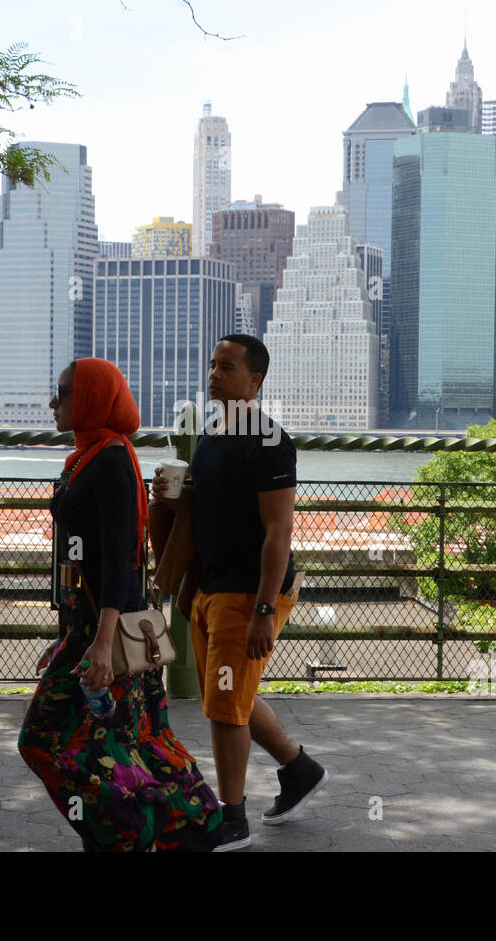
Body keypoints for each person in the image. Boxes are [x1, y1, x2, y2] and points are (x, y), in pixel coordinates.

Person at [18, 358, 223, 852]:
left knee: (44, 739)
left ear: (91, 398)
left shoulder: (110, 459)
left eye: (63, 393)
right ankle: (181, 826)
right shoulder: (87, 457)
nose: (53, 403)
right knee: (132, 738)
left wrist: (101, 645)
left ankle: (131, 826)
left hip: (104, 631)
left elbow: (118, 562)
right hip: (87, 627)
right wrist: (68, 632)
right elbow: (86, 559)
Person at [152, 334, 328, 851]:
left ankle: (233, 819)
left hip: (248, 593)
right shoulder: (210, 435)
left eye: (226, 367)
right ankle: (300, 771)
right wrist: (174, 496)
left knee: (223, 708)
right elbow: (203, 513)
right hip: (208, 586)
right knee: (228, 697)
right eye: (212, 365)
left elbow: (279, 531)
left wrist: (264, 610)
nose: (214, 374)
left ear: (255, 381)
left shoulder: (270, 441)